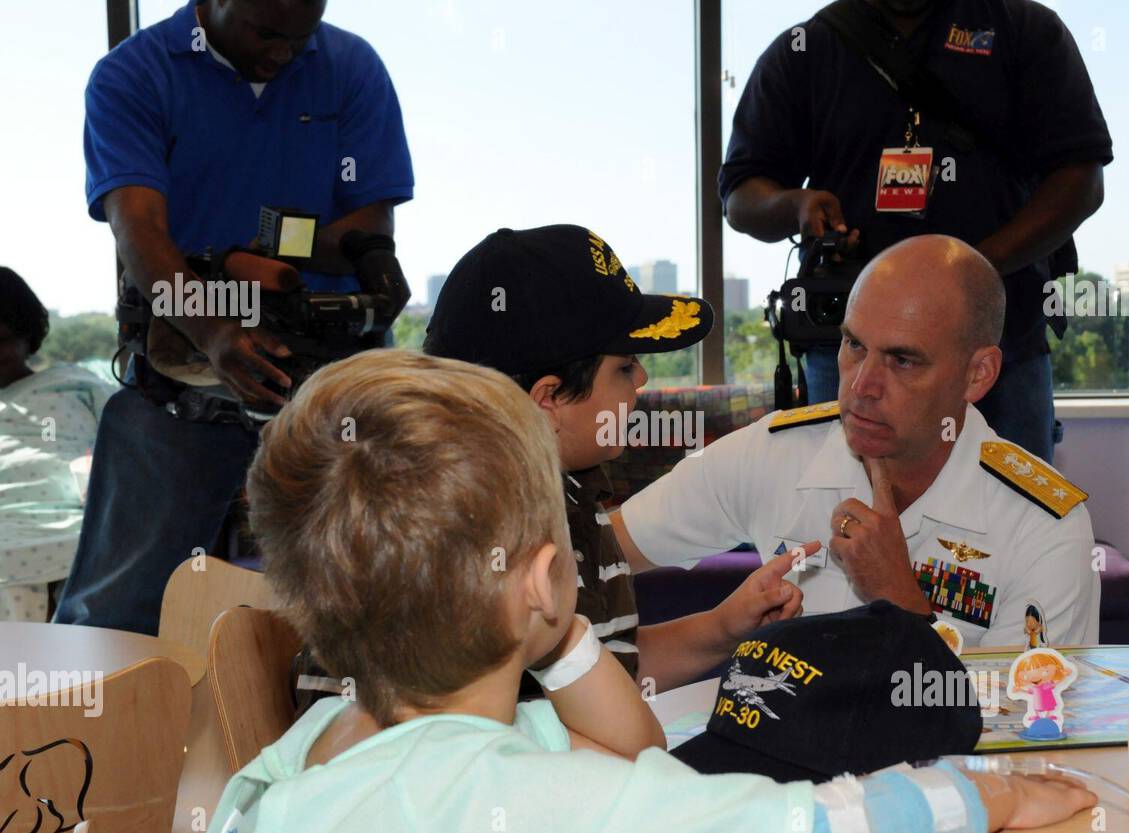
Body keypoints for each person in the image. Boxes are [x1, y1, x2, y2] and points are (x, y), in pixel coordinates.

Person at [197, 348, 1095, 833]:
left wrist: (545, 629)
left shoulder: (288, 771)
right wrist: (996, 795)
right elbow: (826, 831)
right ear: (545, 583)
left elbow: (635, 746)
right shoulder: (572, 808)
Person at [55, 0, 413, 635]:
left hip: (328, 384)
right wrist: (215, 328)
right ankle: (88, 726)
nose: (282, 52)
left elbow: (367, 223)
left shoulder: (350, 66)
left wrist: (265, 252)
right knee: (117, 611)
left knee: (369, 598)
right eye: (266, 32)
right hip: (185, 376)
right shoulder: (134, 75)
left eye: (299, 37)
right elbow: (137, 227)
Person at [613, 235, 1101, 648]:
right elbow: (597, 553)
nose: (861, 386)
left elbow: (1028, 731)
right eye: (854, 346)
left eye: (903, 361)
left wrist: (898, 600)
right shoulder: (776, 452)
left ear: (978, 374)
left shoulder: (1043, 526)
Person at [423, 225, 817, 694]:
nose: (644, 376)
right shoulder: (479, 538)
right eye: (625, 367)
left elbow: (607, 672)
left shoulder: (572, 490)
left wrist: (723, 627)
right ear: (548, 400)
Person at [722, 0, 1112, 461]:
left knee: (1015, 522)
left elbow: (1081, 182)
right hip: (849, 349)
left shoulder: (1023, 30)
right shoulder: (806, 49)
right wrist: (795, 205)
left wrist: (975, 268)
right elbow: (741, 194)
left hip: (998, 345)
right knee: (849, 515)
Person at [0, 268, 115, 621]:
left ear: (26, 336)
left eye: (0, 340)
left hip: (81, 523)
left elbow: (129, 441)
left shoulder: (76, 384)